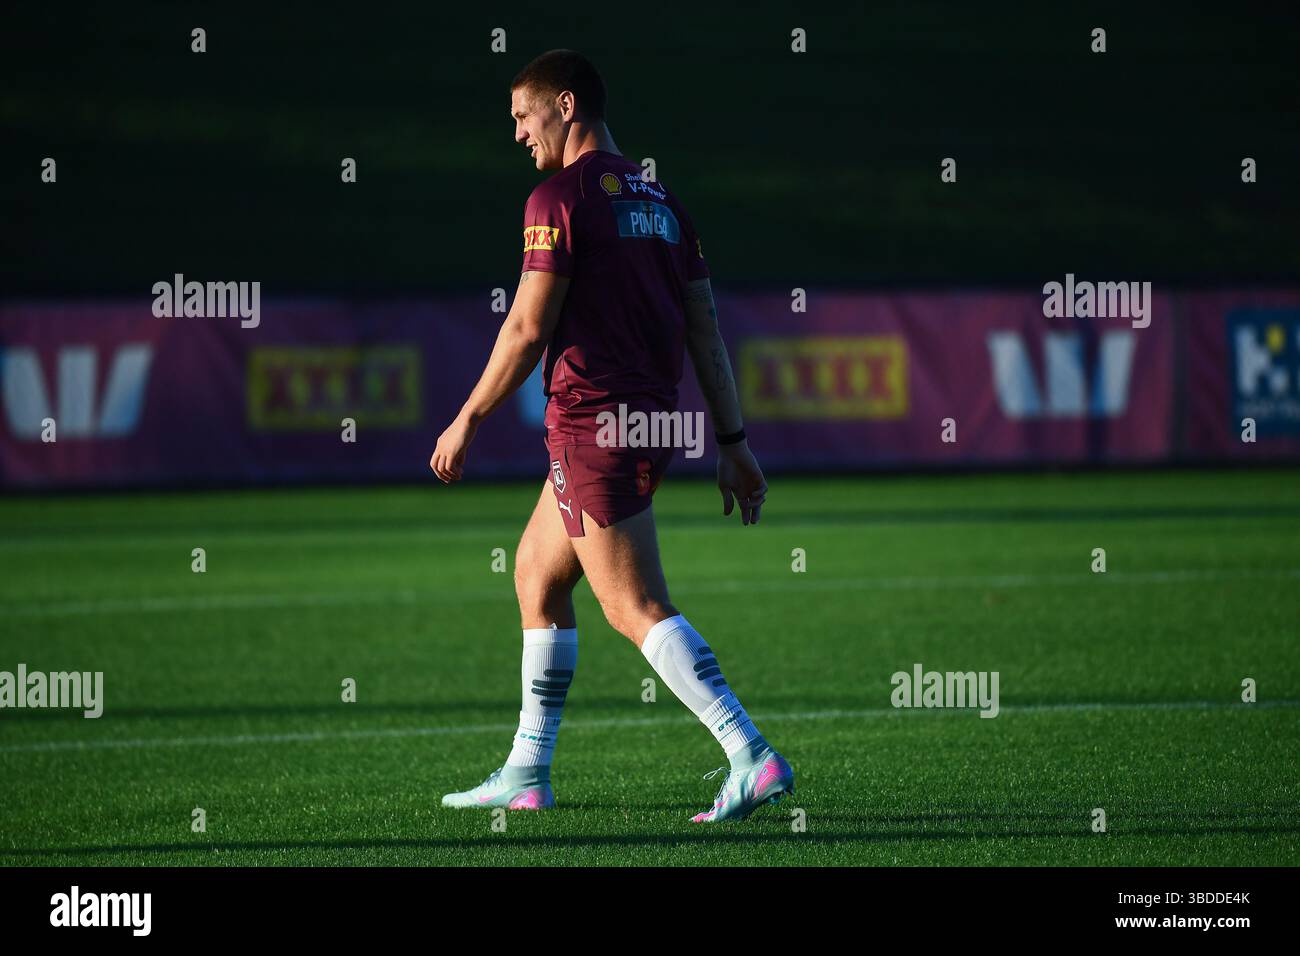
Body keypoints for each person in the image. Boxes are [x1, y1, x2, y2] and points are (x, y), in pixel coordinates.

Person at [430, 50, 793, 822]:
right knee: (536, 571)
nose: (520, 136)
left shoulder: (558, 198)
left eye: (524, 118)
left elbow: (529, 328)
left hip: (594, 425)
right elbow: (705, 329)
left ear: (566, 106)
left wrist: (466, 419)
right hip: (648, 423)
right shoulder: (664, 202)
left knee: (631, 605)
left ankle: (750, 752)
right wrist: (731, 441)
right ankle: (527, 773)